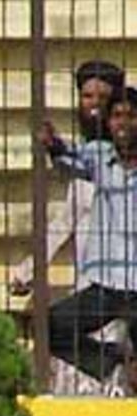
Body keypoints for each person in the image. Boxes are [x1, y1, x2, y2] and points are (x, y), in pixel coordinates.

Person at [10, 60, 127, 394]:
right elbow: (65, 223)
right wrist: (30, 269)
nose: (93, 105)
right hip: (89, 283)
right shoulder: (85, 160)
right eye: (86, 96)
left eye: (102, 98)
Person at [44, 86, 137, 393]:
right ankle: (111, 361)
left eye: (131, 116)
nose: (123, 123)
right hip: (106, 285)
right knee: (51, 326)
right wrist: (54, 146)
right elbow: (71, 159)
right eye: (117, 116)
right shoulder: (99, 154)